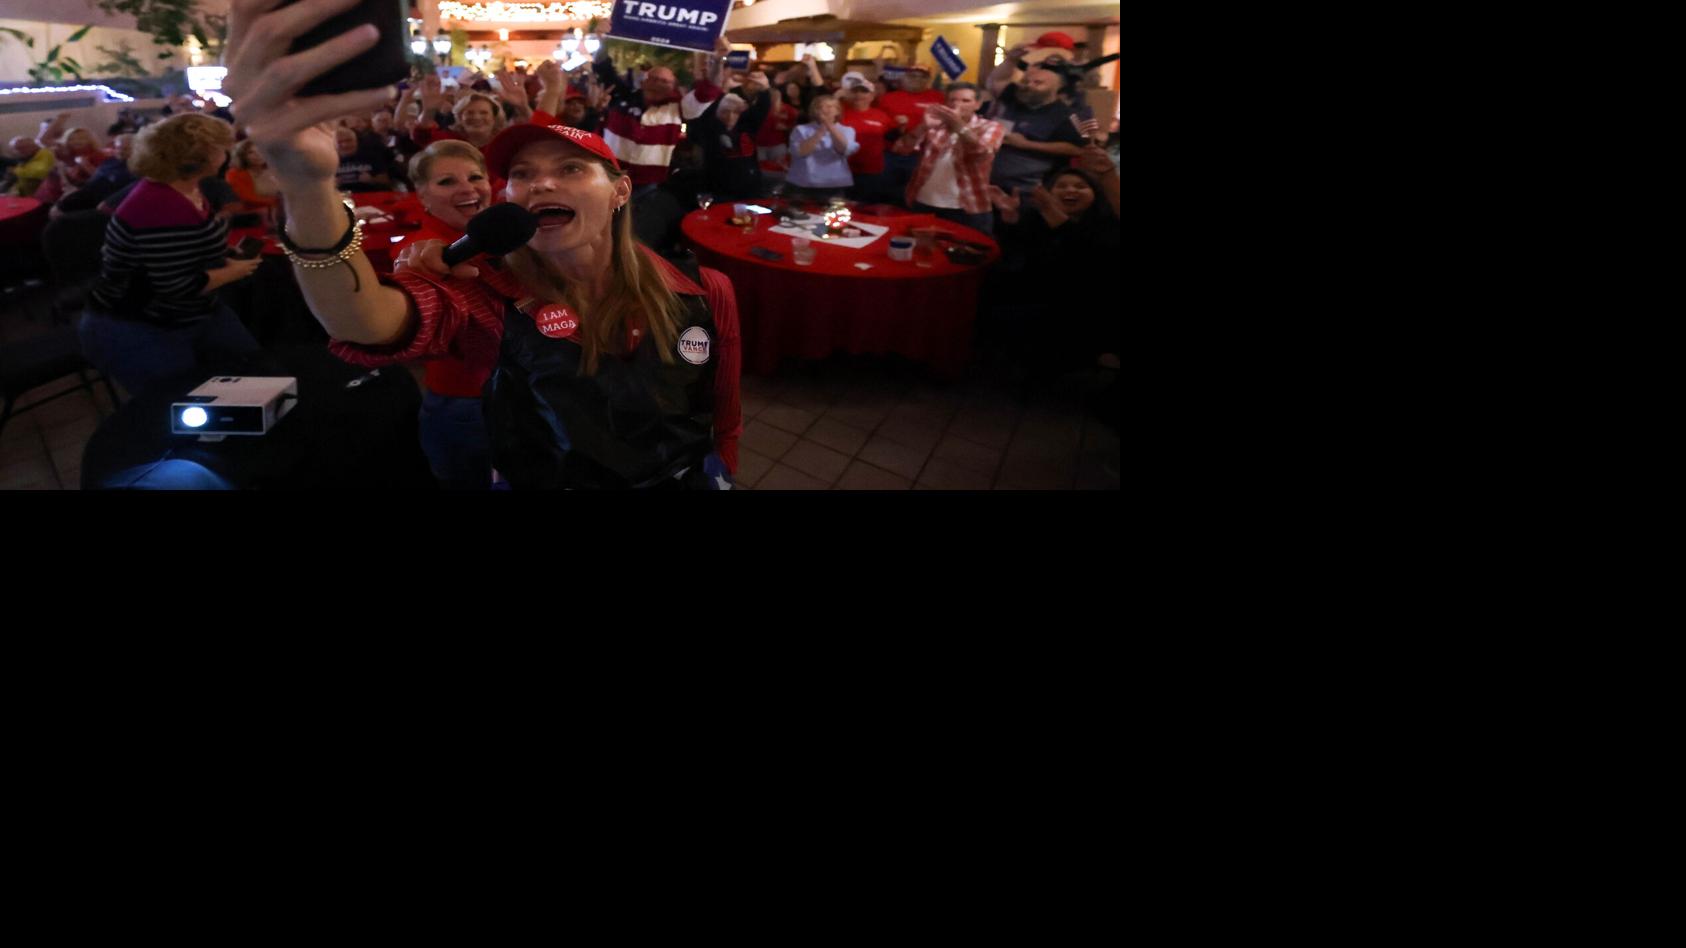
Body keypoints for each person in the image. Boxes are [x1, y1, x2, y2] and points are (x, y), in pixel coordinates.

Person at [224, 2, 743, 490]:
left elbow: (724, 412)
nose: (541, 183)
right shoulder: (486, 291)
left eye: (570, 169)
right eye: (522, 174)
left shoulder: (703, 289)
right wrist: (306, 185)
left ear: (620, 192)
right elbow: (362, 320)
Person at [80, 113, 262, 396]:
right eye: (221, 148)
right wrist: (234, 272)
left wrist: (225, 254)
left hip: (191, 313)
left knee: (255, 377)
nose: (227, 154)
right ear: (200, 155)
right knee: (178, 405)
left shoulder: (184, 188)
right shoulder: (158, 205)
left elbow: (186, 244)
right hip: (141, 325)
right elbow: (176, 286)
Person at [393, 140, 498, 489]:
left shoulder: (501, 238)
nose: (468, 188)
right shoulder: (419, 257)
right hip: (467, 406)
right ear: (421, 195)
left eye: (475, 177)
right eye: (447, 181)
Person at [983, 166, 1120, 378]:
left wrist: (1053, 214)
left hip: (1084, 305)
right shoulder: (1036, 218)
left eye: (1080, 186)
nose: (1070, 190)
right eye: (1061, 186)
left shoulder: (1106, 225)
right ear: (1049, 192)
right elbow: (1017, 251)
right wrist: (1009, 219)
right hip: (1038, 293)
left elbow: (1085, 263)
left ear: (1095, 193)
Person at [591, 36, 720, 195]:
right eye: (654, 79)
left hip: (647, 187)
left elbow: (709, 91)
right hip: (607, 177)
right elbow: (602, 68)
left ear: (674, 86)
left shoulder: (679, 108)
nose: (658, 84)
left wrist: (719, 59)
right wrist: (603, 40)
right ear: (643, 82)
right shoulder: (621, 96)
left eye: (665, 82)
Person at [893, 82, 1003, 235]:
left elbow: (981, 152)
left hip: (967, 207)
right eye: (952, 100)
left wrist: (958, 125)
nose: (957, 104)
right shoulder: (935, 125)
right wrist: (923, 126)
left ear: (977, 105)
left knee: (969, 249)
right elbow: (901, 149)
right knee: (920, 247)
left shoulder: (990, 127)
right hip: (923, 202)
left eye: (965, 101)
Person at [985, 61, 1086, 195]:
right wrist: (1012, 58)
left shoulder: (1066, 115)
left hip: (1029, 190)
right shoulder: (1013, 98)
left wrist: (1026, 144)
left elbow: (1078, 149)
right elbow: (995, 81)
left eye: (1038, 83)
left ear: (1056, 88)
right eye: (1025, 82)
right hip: (988, 183)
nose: (1029, 86)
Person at [785, 95, 856, 202]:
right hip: (803, 182)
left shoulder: (847, 130)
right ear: (815, 111)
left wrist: (829, 125)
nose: (825, 109)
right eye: (821, 106)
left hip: (834, 184)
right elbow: (801, 152)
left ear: (838, 111)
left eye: (830, 106)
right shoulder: (801, 129)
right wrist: (821, 130)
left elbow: (843, 149)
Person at [838, 78, 894, 204]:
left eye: (864, 91)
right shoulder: (839, 114)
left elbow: (892, 139)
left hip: (872, 171)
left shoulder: (882, 116)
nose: (859, 95)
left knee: (867, 207)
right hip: (843, 170)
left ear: (872, 96)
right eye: (855, 91)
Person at [227, 139, 280, 212]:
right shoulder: (235, 174)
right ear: (243, 156)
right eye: (251, 152)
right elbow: (248, 199)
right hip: (251, 215)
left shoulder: (275, 170)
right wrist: (278, 201)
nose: (258, 155)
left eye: (261, 150)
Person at [334, 125, 390, 191]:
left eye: (349, 140)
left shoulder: (371, 155)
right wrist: (331, 184)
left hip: (369, 194)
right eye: (340, 142)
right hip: (339, 196)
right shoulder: (329, 161)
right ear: (334, 144)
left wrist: (372, 180)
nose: (345, 145)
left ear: (356, 141)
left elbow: (386, 180)